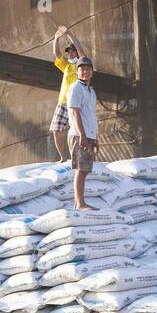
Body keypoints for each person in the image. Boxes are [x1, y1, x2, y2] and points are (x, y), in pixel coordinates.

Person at [65, 56, 98, 210]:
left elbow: (91, 115)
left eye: (88, 69)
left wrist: (95, 138)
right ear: (77, 72)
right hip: (79, 135)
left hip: (88, 135)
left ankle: (80, 202)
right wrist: (83, 136)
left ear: (92, 71)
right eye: (82, 69)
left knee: (85, 170)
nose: (85, 71)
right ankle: (79, 203)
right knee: (81, 169)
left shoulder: (90, 91)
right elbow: (74, 112)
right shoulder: (76, 88)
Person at [49, 26, 85, 162]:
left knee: (78, 132)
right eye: (68, 51)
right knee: (56, 129)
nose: (70, 53)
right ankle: (63, 157)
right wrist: (56, 39)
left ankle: (78, 157)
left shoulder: (81, 65)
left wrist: (69, 33)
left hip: (76, 103)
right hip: (63, 102)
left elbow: (81, 50)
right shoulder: (67, 66)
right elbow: (57, 54)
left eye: (72, 51)